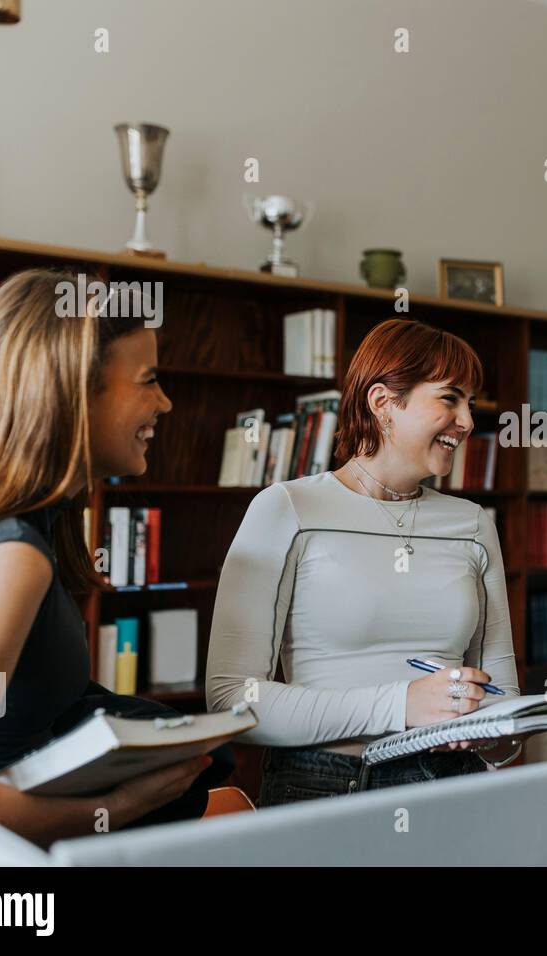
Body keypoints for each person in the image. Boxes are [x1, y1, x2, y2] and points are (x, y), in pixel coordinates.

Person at [0, 268, 230, 848]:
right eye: (149, 380)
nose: (166, 401)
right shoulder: (9, 557)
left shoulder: (5, 528)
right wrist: (117, 808)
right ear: (73, 388)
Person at [206, 318, 521, 806]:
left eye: (471, 404)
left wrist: (496, 730)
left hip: (454, 785)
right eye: (449, 398)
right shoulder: (287, 508)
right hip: (327, 787)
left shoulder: (474, 523)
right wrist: (403, 704)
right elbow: (232, 700)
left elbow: (502, 698)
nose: (467, 422)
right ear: (383, 403)